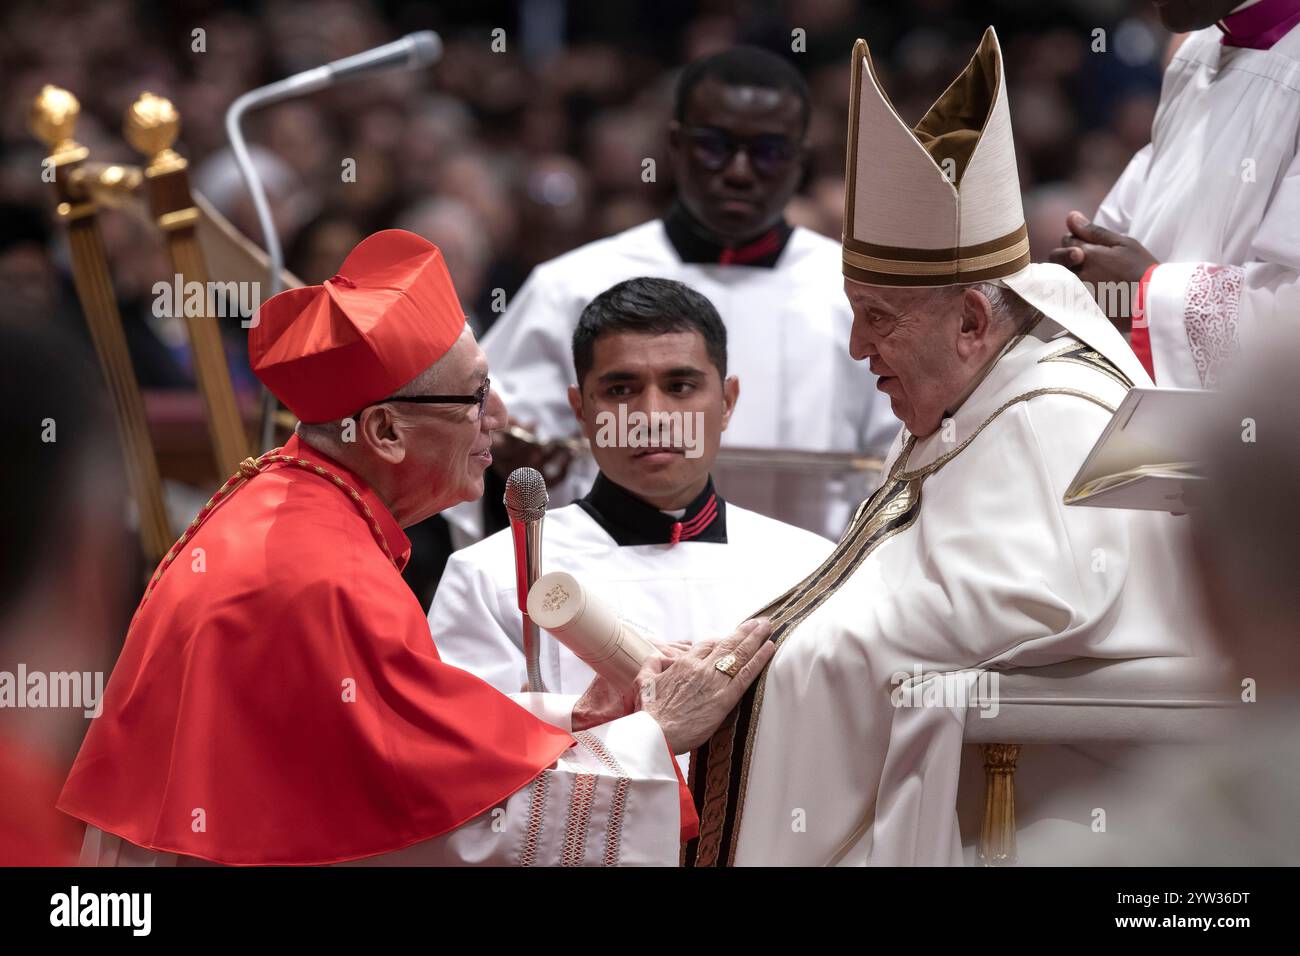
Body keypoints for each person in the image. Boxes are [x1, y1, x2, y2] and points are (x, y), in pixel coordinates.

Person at [56, 230, 775, 867]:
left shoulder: (296, 510)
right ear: (386, 433)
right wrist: (655, 740)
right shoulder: (323, 574)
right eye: (476, 394)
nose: (500, 417)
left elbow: (412, 744)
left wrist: (573, 724)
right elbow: (431, 827)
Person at [684, 28, 1214, 868]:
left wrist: (775, 654)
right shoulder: (985, 388)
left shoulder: (1053, 413)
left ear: (972, 321)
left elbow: (1029, 602)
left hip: (1063, 811)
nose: (859, 348)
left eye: (880, 317)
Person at [454, 45, 898, 544]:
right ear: (675, 145)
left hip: (814, 585)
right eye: (715, 146)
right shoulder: (573, 285)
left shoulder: (856, 294)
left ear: (801, 160)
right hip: (609, 588)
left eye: (768, 151)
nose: (739, 171)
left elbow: (901, 461)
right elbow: (487, 447)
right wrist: (513, 456)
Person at [430, 277, 833, 700]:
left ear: (727, 402)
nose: (652, 416)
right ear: (581, 409)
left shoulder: (810, 570)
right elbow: (465, 751)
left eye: (680, 386)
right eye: (621, 390)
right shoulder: (492, 577)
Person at [1050, 0, 1300, 388]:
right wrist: (1086, 263)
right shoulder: (1197, 47)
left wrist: (1147, 294)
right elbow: (1127, 231)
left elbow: (1290, 329)